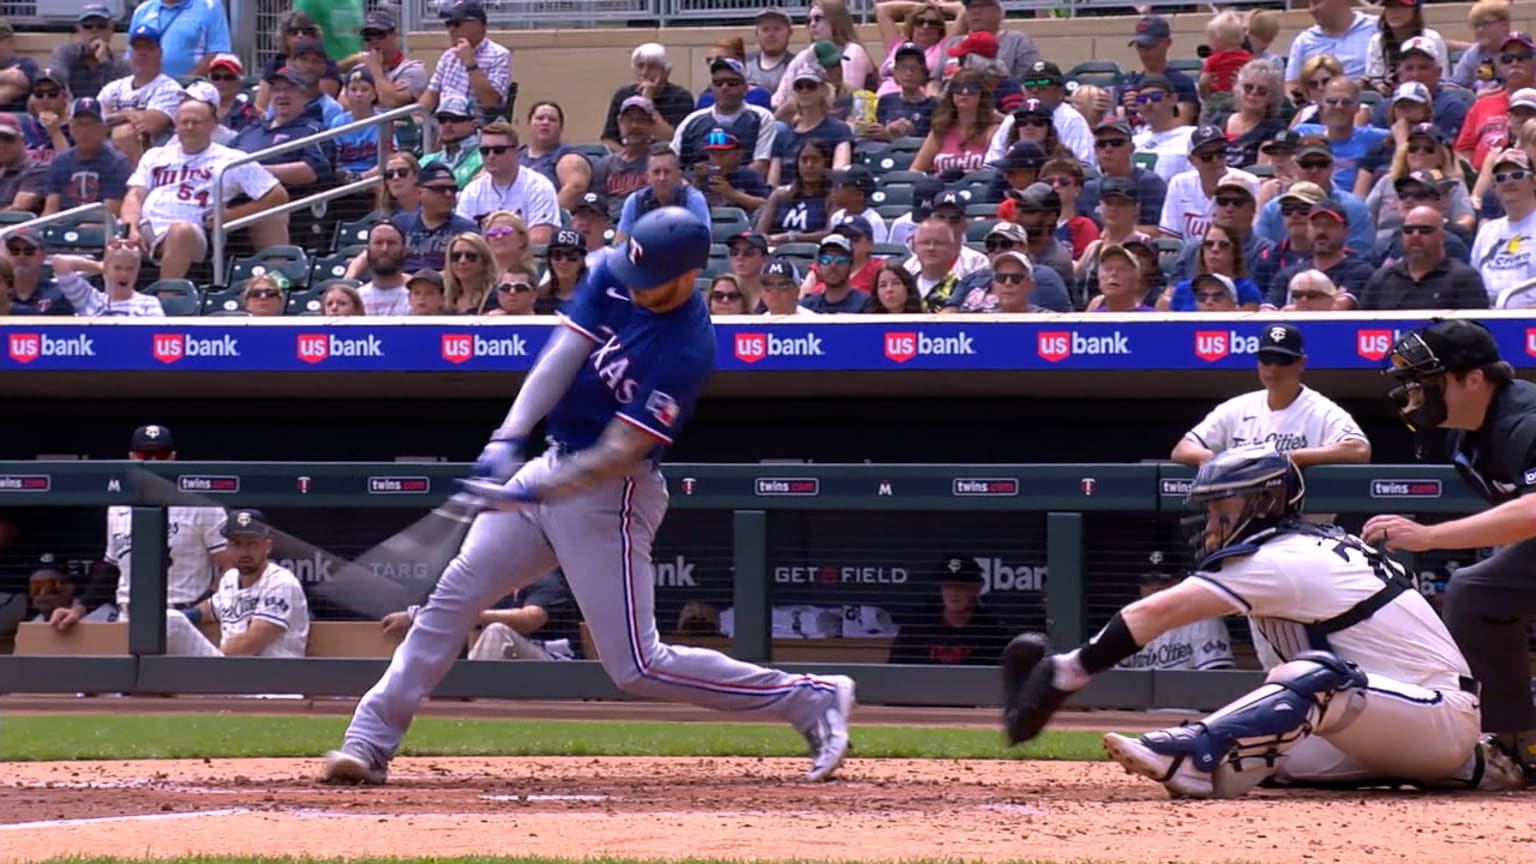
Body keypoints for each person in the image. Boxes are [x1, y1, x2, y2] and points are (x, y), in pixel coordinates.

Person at [322, 206, 855, 786]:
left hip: (611, 494)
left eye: (650, 280)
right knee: (453, 596)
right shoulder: (615, 272)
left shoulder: (687, 348)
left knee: (636, 666)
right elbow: (563, 354)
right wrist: (507, 437)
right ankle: (369, 740)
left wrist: (538, 490)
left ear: (686, 277)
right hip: (550, 461)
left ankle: (810, 697)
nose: (635, 283)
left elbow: (620, 450)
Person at [1002, 446, 1526, 798]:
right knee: (1270, 752)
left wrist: (1068, 672)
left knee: (1315, 674)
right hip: (1389, 721)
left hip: (1436, 715)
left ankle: (1189, 749)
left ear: (1264, 501)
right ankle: (1480, 770)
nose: (1211, 522)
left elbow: (1153, 612)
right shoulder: (1286, 551)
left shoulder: (1283, 557)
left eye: (1221, 506)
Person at [1362, 320, 1536, 781]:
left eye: (1427, 381)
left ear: (1473, 379)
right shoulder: (1468, 435)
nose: (1414, 393)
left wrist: (1429, 536)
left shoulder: (1525, 420)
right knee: (1477, 592)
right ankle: (1517, 741)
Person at [50, 425, 228, 628]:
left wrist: (199, 611)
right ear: (132, 457)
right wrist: (78, 609)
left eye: (160, 455)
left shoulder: (202, 506)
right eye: (146, 454)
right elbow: (112, 568)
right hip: (128, 617)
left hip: (184, 615)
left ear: (172, 457)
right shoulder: (118, 507)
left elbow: (229, 567)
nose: (153, 462)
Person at [1171, 324, 1369, 469]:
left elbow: (1359, 450)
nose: (1273, 368)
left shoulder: (1321, 410)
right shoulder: (1237, 408)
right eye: (1267, 359)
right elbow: (1183, 449)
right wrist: (1216, 461)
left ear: (1301, 362)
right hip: (1243, 520)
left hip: (1303, 523)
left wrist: (1290, 458)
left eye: (1283, 359)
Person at [163, 508, 310, 658]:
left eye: (252, 544)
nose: (244, 552)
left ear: (267, 547)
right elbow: (209, 609)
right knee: (170, 620)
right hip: (233, 671)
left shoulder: (281, 583)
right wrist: (184, 616)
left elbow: (248, 646)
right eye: (236, 543)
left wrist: (207, 658)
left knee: (173, 622)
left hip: (270, 674)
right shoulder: (230, 579)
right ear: (227, 547)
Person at [1358, 206, 1488, 310]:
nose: (1415, 235)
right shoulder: (1382, 278)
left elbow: (1476, 333)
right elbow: (1361, 328)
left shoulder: (1465, 279)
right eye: (1408, 230)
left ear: (1442, 236)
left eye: (1425, 230)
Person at [889, 557, 1009, 665]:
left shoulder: (993, 630)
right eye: (948, 585)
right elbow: (897, 671)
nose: (954, 592)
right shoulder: (917, 626)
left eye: (961, 586)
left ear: (977, 589)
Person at [454, 120, 559, 242]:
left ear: (516, 151)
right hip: (483, 259)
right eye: (485, 151)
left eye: (499, 150)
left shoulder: (539, 186)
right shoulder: (472, 191)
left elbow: (539, 239)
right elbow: (462, 239)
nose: (491, 156)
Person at [1115, 568, 1233, 672]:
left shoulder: (1204, 621)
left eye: (1164, 579)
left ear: (1179, 582)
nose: (1155, 586)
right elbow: (1113, 678)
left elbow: (1215, 680)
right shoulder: (1130, 623)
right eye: (1148, 580)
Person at [419, 0, 512, 118]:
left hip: (476, 125)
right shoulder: (448, 56)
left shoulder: (499, 55)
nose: (451, 29)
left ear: (477, 24)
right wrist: (416, 116)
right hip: (443, 124)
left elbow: (491, 103)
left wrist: (470, 62)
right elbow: (431, 94)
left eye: (457, 23)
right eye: (448, 24)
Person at [1470, 149, 1536, 307]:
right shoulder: (1487, 232)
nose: (1508, 182)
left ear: (1533, 181)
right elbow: (1475, 284)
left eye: (1517, 175)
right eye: (1500, 178)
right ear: (1494, 187)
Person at [42, 98, 128, 217]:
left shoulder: (117, 163)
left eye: (90, 125)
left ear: (104, 128)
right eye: (79, 124)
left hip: (100, 229)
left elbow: (110, 215)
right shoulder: (60, 162)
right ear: (71, 127)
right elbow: (50, 209)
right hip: (62, 227)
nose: (84, 131)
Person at [600, 43, 693, 152]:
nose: (644, 72)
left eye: (652, 67)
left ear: (666, 72)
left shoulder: (681, 97)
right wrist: (629, 158)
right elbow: (608, 140)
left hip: (665, 160)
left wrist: (647, 99)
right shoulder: (623, 95)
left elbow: (671, 138)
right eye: (640, 66)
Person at [616, 144, 710, 244]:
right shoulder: (635, 201)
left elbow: (703, 244)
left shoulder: (693, 199)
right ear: (647, 177)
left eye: (667, 172)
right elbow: (620, 244)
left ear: (678, 176)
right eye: (656, 172)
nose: (662, 178)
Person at [126, 0, 232, 79]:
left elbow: (216, 52)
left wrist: (185, 84)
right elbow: (131, 53)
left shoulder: (210, 6)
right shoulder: (142, 10)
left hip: (192, 91)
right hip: (147, 90)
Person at [52, 242, 163, 317]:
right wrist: (100, 266)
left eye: (130, 269)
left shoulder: (148, 304)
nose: (124, 274)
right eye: (117, 268)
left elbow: (156, 336)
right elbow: (60, 262)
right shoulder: (90, 299)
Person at [521, 101, 592, 212]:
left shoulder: (569, 156)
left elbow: (575, 188)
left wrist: (542, 218)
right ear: (529, 124)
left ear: (561, 128)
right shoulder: (512, 154)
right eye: (540, 118)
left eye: (552, 120)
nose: (545, 122)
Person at [51, 5, 130, 101]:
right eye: (87, 26)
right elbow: (56, 79)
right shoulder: (65, 53)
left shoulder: (121, 66)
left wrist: (105, 63)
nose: (94, 30)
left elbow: (116, 97)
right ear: (79, 30)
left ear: (111, 30)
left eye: (101, 26)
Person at [356, 221, 411, 316]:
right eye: (378, 243)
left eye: (392, 243)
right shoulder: (357, 299)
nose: (384, 249)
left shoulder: (420, 296)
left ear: (404, 250)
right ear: (367, 250)